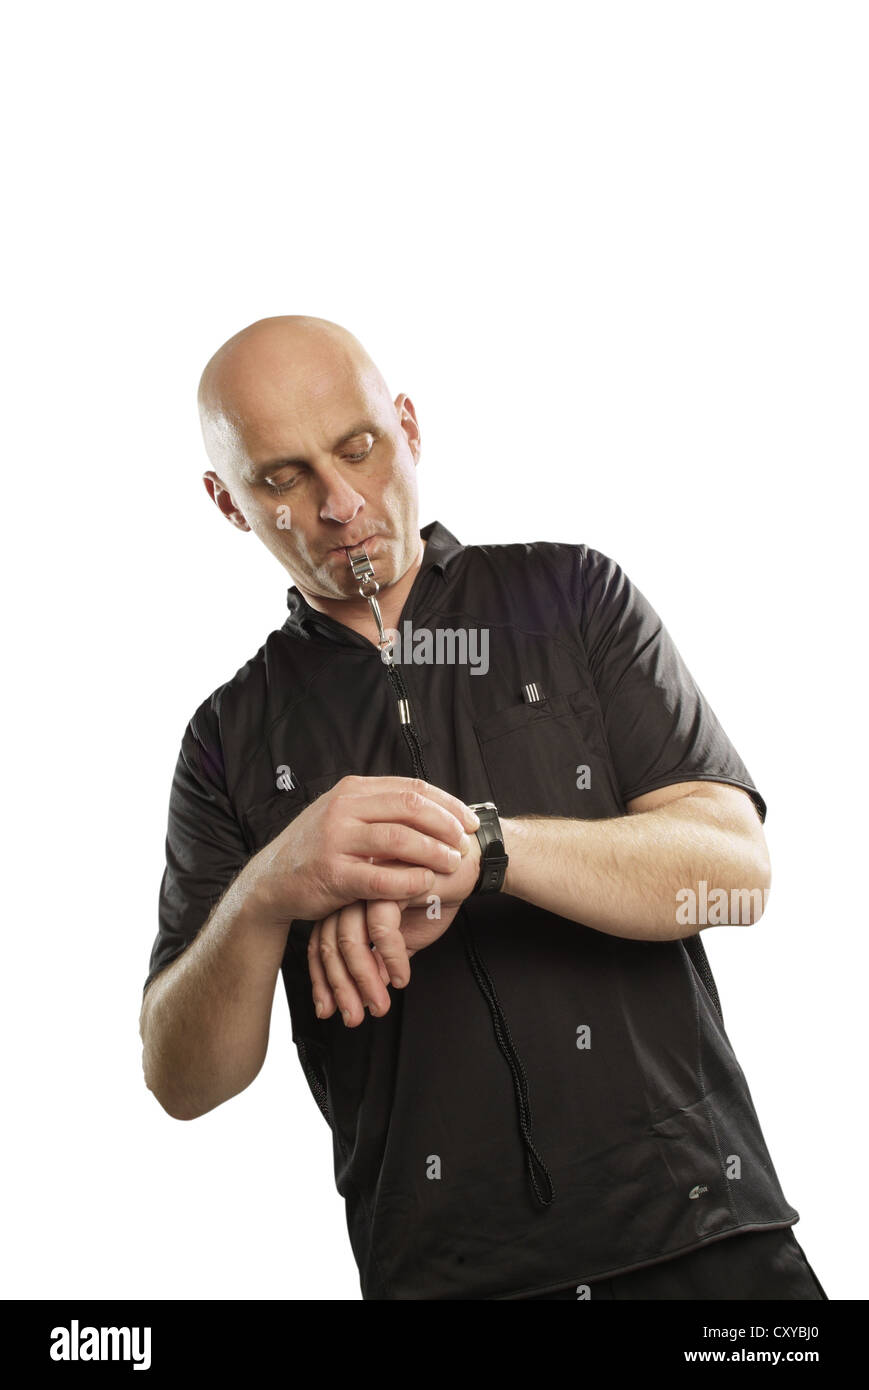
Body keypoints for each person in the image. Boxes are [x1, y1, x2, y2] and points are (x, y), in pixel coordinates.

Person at [140, 315, 827, 1301]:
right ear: (227, 502)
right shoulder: (224, 738)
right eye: (283, 478)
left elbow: (735, 875)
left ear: (408, 426)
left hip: (707, 1247)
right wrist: (266, 896)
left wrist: (485, 849)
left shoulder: (573, 595)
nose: (339, 505)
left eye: (357, 447)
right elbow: (181, 1082)